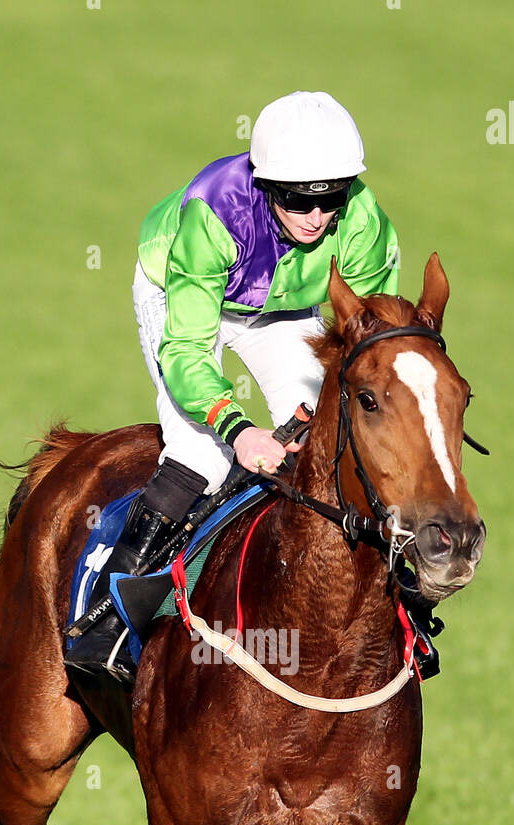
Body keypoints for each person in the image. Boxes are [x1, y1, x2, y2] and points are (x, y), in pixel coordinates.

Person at [65, 90, 400, 684]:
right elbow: (188, 352)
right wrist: (238, 428)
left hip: (285, 311)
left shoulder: (364, 223)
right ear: (268, 185)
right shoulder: (214, 213)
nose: (318, 217)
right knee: (203, 454)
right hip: (186, 293)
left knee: (333, 440)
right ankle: (110, 620)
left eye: (333, 198)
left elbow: (370, 343)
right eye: (299, 200)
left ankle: (397, 610)